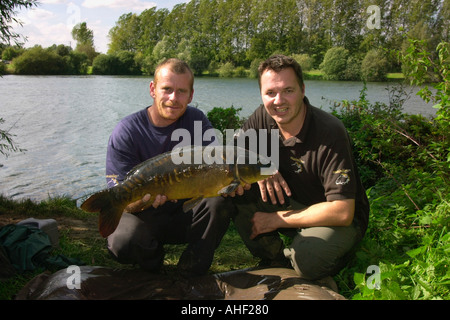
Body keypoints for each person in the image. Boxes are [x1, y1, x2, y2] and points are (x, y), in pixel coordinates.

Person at [232, 55, 370, 281]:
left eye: (288, 90)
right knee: (234, 191)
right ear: (261, 95)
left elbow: (343, 212)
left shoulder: (330, 131)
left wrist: (275, 219)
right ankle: (274, 257)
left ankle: (320, 254)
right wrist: (261, 167)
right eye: (270, 93)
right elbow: (235, 154)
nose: (278, 101)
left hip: (334, 214)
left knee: (308, 261)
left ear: (303, 90)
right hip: (291, 200)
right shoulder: (262, 117)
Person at [105, 58, 232, 277]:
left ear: (191, 95)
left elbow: (218, 164)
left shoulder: (197, 120)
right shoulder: (126, 131)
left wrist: (233, 180)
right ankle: (153, 262)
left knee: (219, 200)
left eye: (182, 91)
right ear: (153, 89)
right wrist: (143, 201)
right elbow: (121, 197)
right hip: (144, 214)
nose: (174, 98)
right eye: (167, 89)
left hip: (184, 210)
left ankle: (192, 268)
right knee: (121, 240)